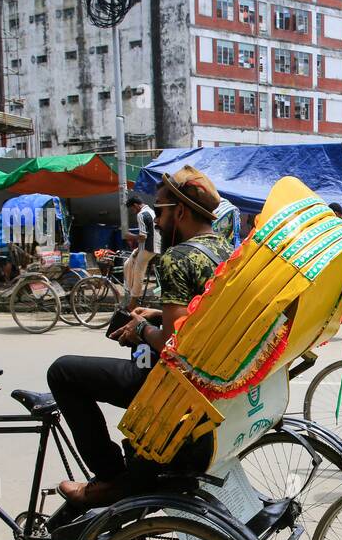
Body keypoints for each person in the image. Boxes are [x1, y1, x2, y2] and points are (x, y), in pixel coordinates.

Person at [49, 166, 234, 508]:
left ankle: (110, 479)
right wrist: (153, 316)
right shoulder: (226, 250)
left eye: (161, 211)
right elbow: (201, 314)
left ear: (179, 211)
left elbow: (177, 345)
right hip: (214, 377)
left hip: (175, 386)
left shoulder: (177, 258)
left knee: (63, 371)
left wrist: (142, 330)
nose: (157, 222)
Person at [121, 195, 159, 310]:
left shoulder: (141, 214)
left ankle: (133, 301)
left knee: (138, 270)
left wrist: (129, 236)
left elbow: (142, 236)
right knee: (128, 263)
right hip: (154, 246)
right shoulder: (151, 212)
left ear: (136, 206)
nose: (133, 211)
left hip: (149, 248)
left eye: (132, 209)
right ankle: (130, 289)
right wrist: (137, 250)